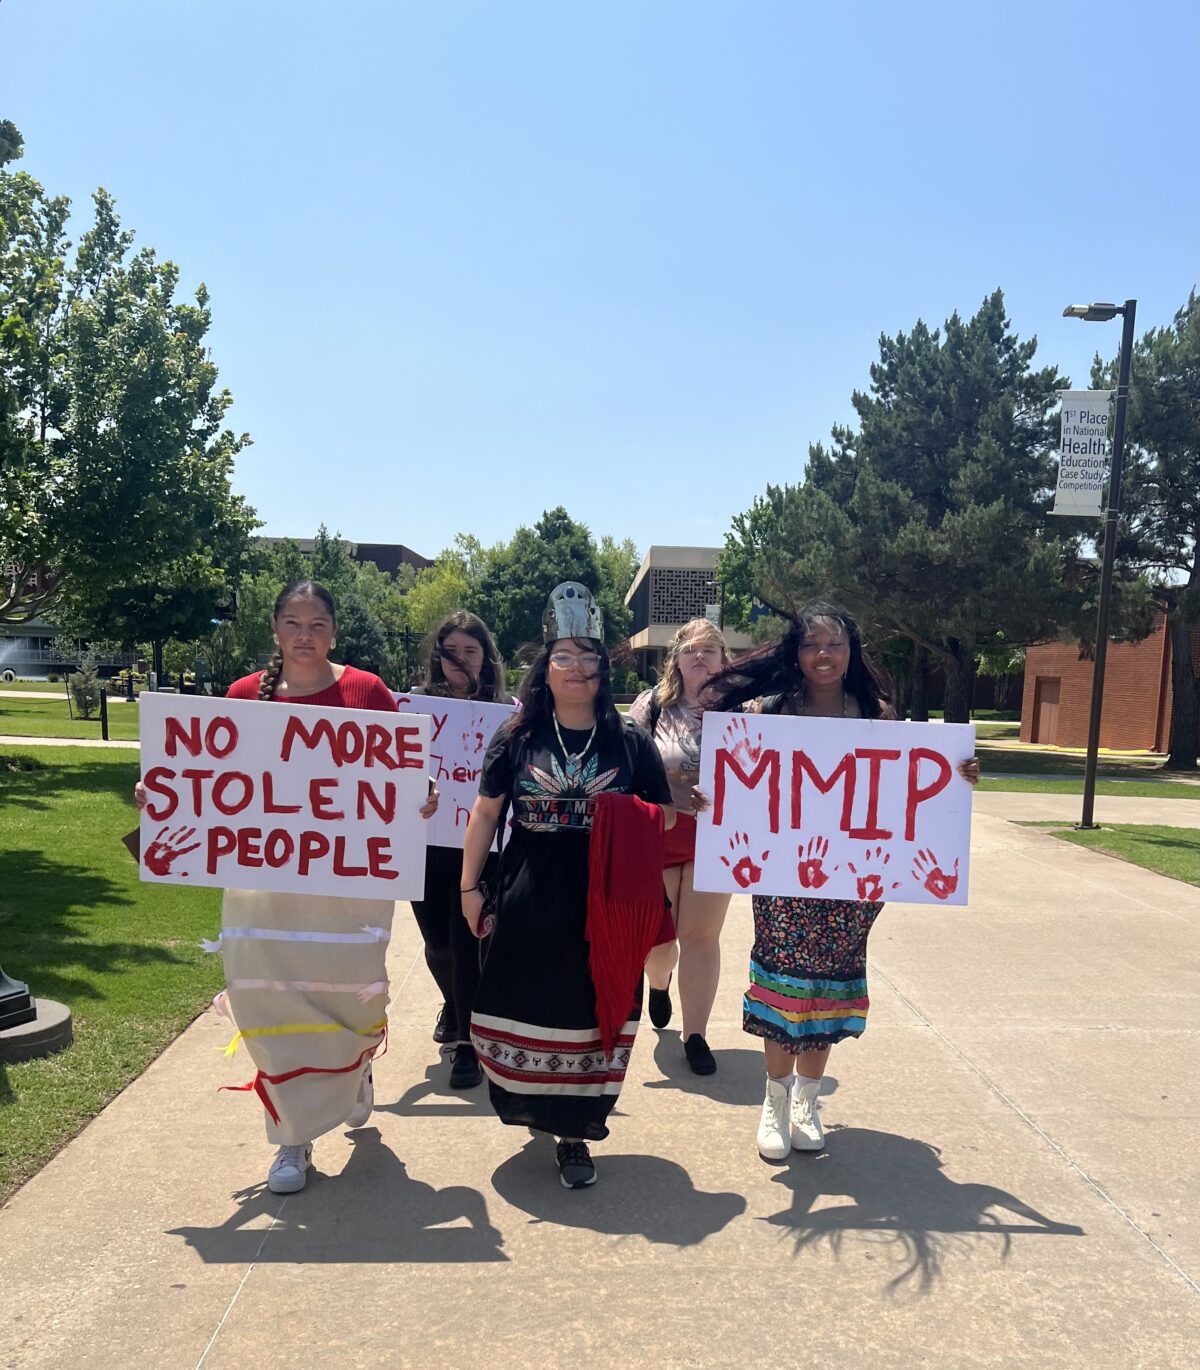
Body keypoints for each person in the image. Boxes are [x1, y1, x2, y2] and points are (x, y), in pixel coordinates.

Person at [136, 580, 439, 1195]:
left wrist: (420, 796)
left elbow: (402, 774)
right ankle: (291, 1140)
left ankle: (353, 1072)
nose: (306, 636)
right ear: (275, 629)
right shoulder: (245, 696)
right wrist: (167, 799)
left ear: (333, 631)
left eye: (318, 624)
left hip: (351, 888)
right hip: (263, 885)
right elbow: (215, 784)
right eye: (294, 623)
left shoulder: (366, 691)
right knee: (269, 1003)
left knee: (348, 1000)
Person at [703, 601, 979, 1161]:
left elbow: (902, 783)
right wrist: (713, 797)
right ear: (796, 653)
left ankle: (806, 1099)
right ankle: (775, 1101)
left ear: (851, 650)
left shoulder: (876, 715)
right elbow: (739, 776)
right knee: (783, 979)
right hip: (784, 875)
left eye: (833, 644)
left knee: (830, 982)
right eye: (810, 644)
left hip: (854, 880)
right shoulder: (770, 710)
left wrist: (958, 774)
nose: (822, 655)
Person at [459, 583, 675, 1189]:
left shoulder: (629, 741)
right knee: (528, 1003)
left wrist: (626, 816)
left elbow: (666, 817)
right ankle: (539, 1104)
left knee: (593, 1011)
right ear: (545, 667)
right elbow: (484, 814)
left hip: (606, 903)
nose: (576, 669)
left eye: (589, 658)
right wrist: (469, 889)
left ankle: (576, 1131)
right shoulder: (518, 736)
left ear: (605, 669)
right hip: (529, 898)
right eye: (564, 657)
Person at [406, 611, 515, 1089]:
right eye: (451, 652)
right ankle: (453, 1002)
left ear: (486, 658)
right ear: (438, 657)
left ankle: (468, 1043)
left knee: (470, 939)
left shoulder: (509, 711)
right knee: (438, 942)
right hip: (426, 844)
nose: (460, 661)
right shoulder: (412, 709)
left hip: (483, 848)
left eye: (470, 651)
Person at [628, 618, 732, 1075]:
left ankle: (696, 1036)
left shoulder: (744, 710)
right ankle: (658, 983)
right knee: (660, 939)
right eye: (690, 648)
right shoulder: (650, 706)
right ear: (675, 658)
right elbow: (626, 761)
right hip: (660, 832)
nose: (699, 655)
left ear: (724, 659)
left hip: (718, 836)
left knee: (700, 937)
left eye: (710, 649)